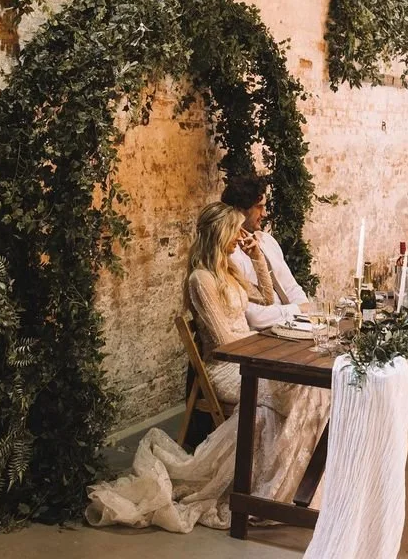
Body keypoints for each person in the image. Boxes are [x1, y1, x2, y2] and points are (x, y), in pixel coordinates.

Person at [85, 202, 330, 533]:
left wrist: (257, 258)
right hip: (228, 368)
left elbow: (267, 298)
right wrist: (265, 349)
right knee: (297, 392)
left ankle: (290, 485)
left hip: (247, 356)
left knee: (310, 390)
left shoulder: (228, 270)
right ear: (220, 233)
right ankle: (269, 489)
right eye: (235, 232)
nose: (239, 238)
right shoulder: (201, 280)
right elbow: (225, 342)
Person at [223, 172, 308, 330]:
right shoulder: (231, 254)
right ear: (240, 210)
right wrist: (297, 310)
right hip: (262, 335)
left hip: (291, 325)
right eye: (259, 207)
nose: (265, 213)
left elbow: (291, 287)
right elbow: (254, 317)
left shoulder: (267, 241)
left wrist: (305, 316)